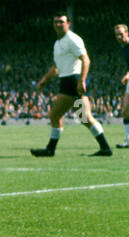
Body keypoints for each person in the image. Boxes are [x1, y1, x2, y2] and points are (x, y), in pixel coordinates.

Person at [30, 13, 112, 157]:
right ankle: (105, 147)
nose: (58, 24)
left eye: (61, 22)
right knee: (84, 118)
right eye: (56, 22)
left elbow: (86, 60)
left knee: (55, 115)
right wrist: (45, 79)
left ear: (68, 23)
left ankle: (50, 149)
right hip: (67, 81)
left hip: (72, 81)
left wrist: (81, 80)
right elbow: (56, 67)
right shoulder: (57, 43)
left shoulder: (73, 39)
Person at [115, 23, 129, 148]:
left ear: (127, 33)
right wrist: (127, 74)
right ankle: (128, 140)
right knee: (126, 110)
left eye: (121, 34)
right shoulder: (123, 47)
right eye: (117, 35)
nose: (119, 37)